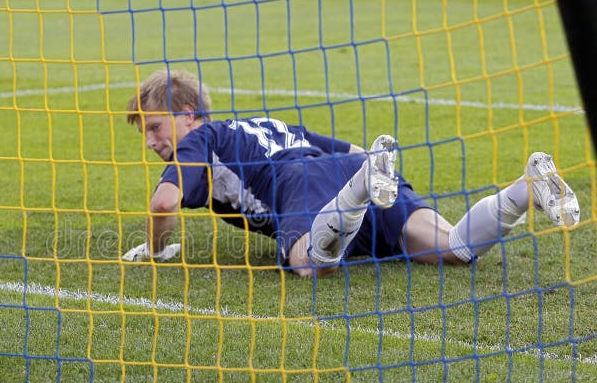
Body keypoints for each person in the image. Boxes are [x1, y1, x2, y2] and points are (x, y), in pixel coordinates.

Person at [122, 69, 581, 277]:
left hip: (301, 182)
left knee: (310, 265)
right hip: (352, 171)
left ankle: (361, 190)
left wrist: (156, 249)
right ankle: (524, 190)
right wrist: (372, 174)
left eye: (156, 126)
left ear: (188, 114)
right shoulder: (265, 124)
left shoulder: (200, 140)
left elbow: (164, 202)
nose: (151, 141)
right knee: (455, 250)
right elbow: (357, 151)